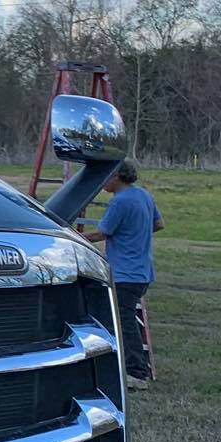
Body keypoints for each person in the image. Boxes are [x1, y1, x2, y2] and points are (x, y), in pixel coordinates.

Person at [87, 160, 162, 389]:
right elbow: (158, 224)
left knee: (124, 324)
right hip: (142, 271)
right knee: (127, 321)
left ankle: (136, 374)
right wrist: (135, 233)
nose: (103, 184)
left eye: (106, 178)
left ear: (117, 177)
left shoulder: (119, 202)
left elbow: (102, 233)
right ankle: (129, 367)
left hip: (123, 273)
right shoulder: (144, 196)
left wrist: (71, 237)